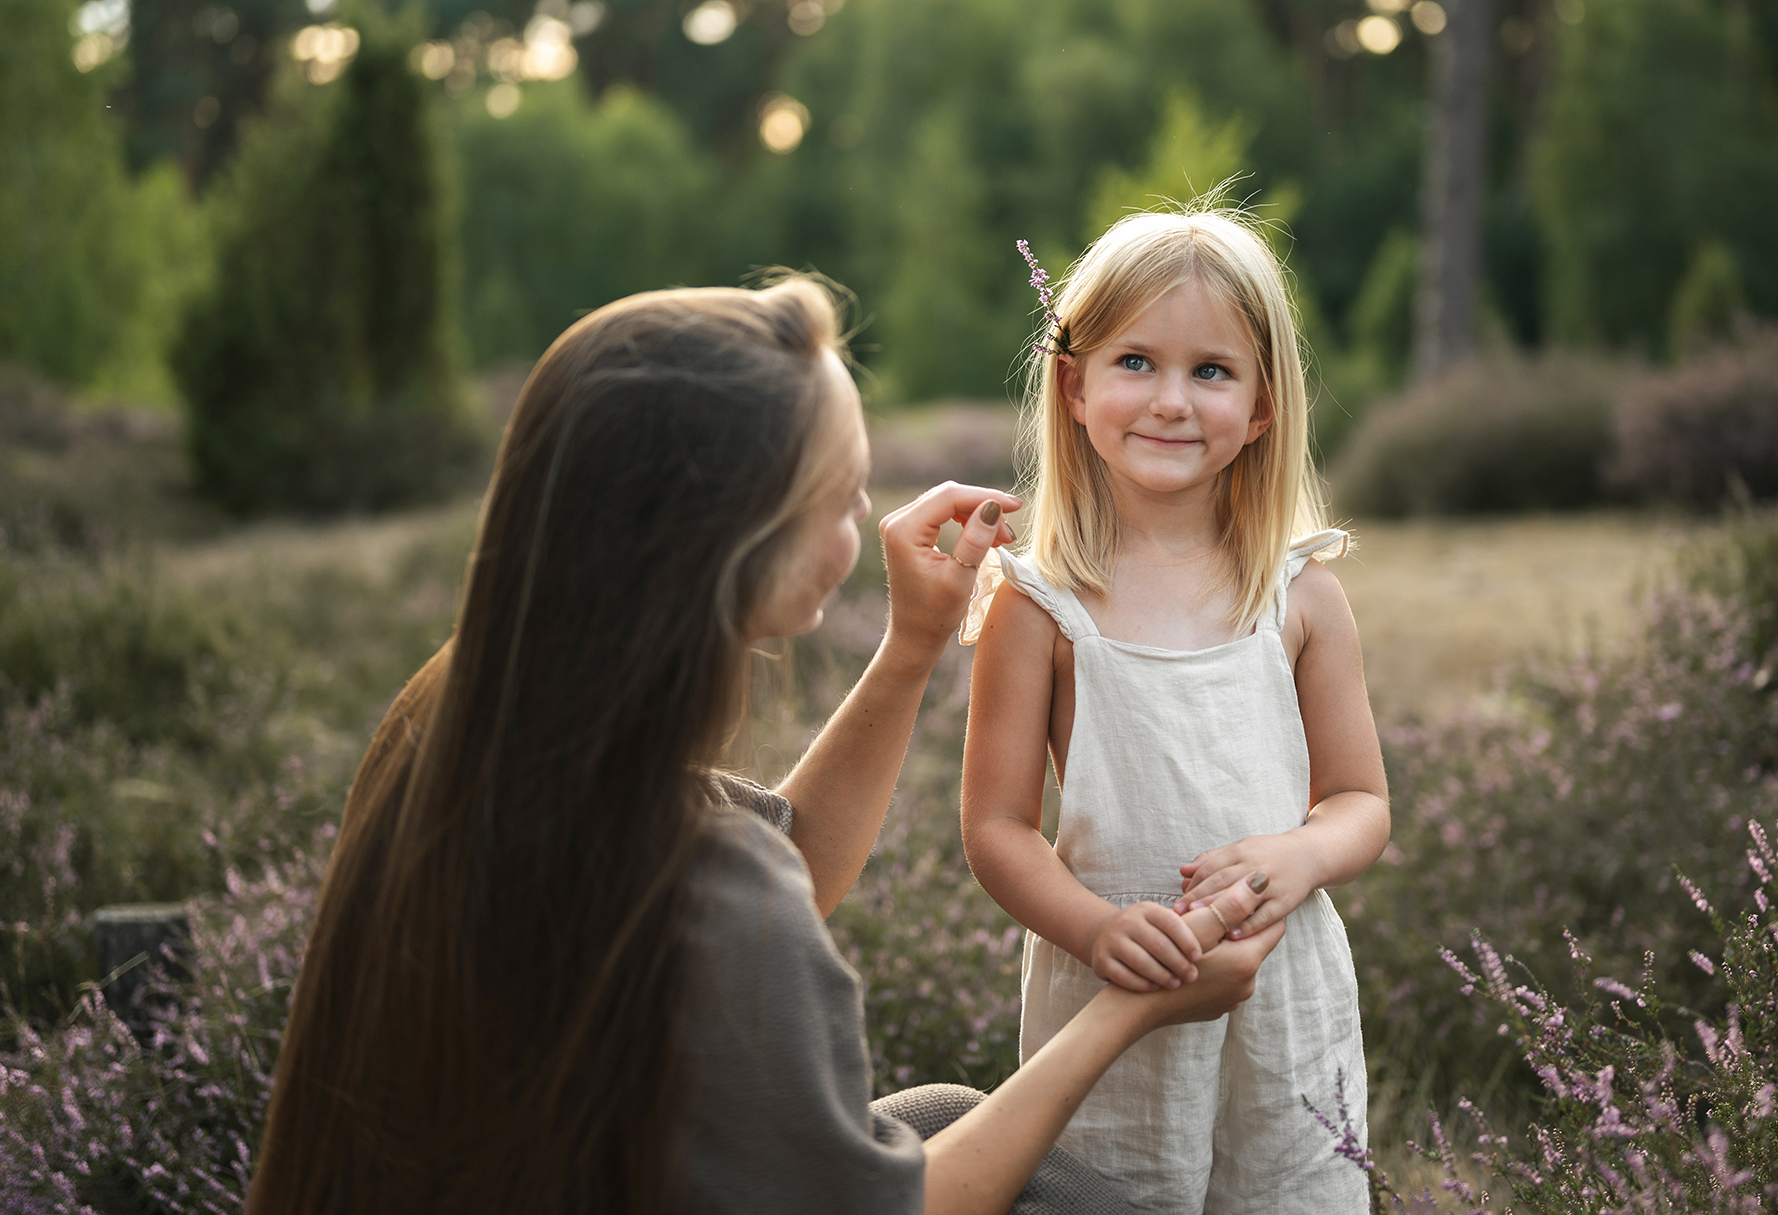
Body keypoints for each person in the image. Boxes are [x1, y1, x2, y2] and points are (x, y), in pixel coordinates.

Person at [244, 276, 1285, 1215]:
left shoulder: (463, 717)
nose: (865, 520)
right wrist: (1119, 1016)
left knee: (935, 1109)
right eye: (838, 494)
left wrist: (913, 643)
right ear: (728, 536)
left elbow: (787, 868)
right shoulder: (706, 884)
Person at [960, 208, 1391, 1213]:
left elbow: (1360, 797)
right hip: (1111, 992)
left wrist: (1299, 854)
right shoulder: (1038, 603)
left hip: (1280, 996)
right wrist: (1097, 927)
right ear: (1073, 387)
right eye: (1134, 361)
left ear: (1261, 408)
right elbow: (995, 826)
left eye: (1210, 371)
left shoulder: (1299, 594)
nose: (1169, 399)